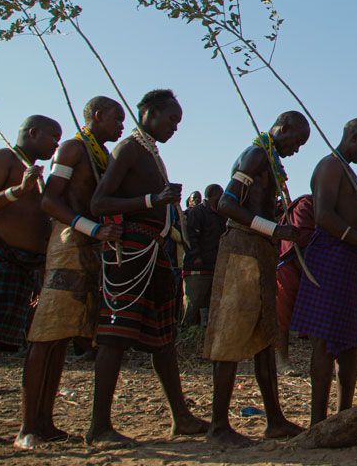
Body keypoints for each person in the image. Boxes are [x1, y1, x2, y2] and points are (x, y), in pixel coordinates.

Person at [87, 88, 206, 445]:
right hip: (130, 252)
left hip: (155, 250)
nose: (175, 127)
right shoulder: (129, 149)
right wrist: (153, 199)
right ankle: (99, 426)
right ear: (150, 114)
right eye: (172, 119)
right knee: (114, 336)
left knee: (163, 338)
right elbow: (99, 202)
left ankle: (180, 417)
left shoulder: (148, 152)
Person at [16, 98, 125, 449]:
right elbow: (50, 200)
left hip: (91, 249)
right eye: (116, 119)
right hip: (67, 245)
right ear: (97, 116)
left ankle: (45, 423)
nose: (121, 126)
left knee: (63, 337)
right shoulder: (73, 149)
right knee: (46, 336)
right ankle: (27, 427)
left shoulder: (101, 156)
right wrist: (92, 228)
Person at [202, 111, 310, 445]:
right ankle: (218, 425)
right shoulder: (256, 155)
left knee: (265, 336)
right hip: (242, 250)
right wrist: (274, 228)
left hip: (260, 251)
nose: (296, 149)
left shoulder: (269, 159)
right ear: (283, 128)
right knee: (230, 332)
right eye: (297, 141)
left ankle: (275, 420)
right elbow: (226, 203)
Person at [291, 119, 357, 425]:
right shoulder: (330, 167)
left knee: (350, 343)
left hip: (349, 262)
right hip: (330, 258)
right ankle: (318, 423)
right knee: (325, 340)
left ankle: (342, 419)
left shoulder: (345, 170)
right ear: (354, 137)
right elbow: (323, 217)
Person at [0, 115, 60, 444]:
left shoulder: (37, 174)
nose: (56, 145)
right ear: (32, 133)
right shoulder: (1, 159)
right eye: (52, 137)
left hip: (21, 268)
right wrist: (16, 191)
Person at [274, 192, 315, 374]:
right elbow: (299, 237)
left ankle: (320, 359)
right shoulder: (306, 204)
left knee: (316, 315)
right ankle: (281, 360)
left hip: (315, 266)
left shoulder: (335, 206)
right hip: (291, 263)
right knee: (283, 314)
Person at [181, 183, 225, 328]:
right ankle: (186, 333)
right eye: (220, 195)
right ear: (214, 196)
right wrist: (196, 256)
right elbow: (190, 236)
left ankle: (203, 334)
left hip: (214, 266)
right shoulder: (197, 212)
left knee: (209, 304)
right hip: (197, 268)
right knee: (193, 303)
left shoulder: (221, 215)